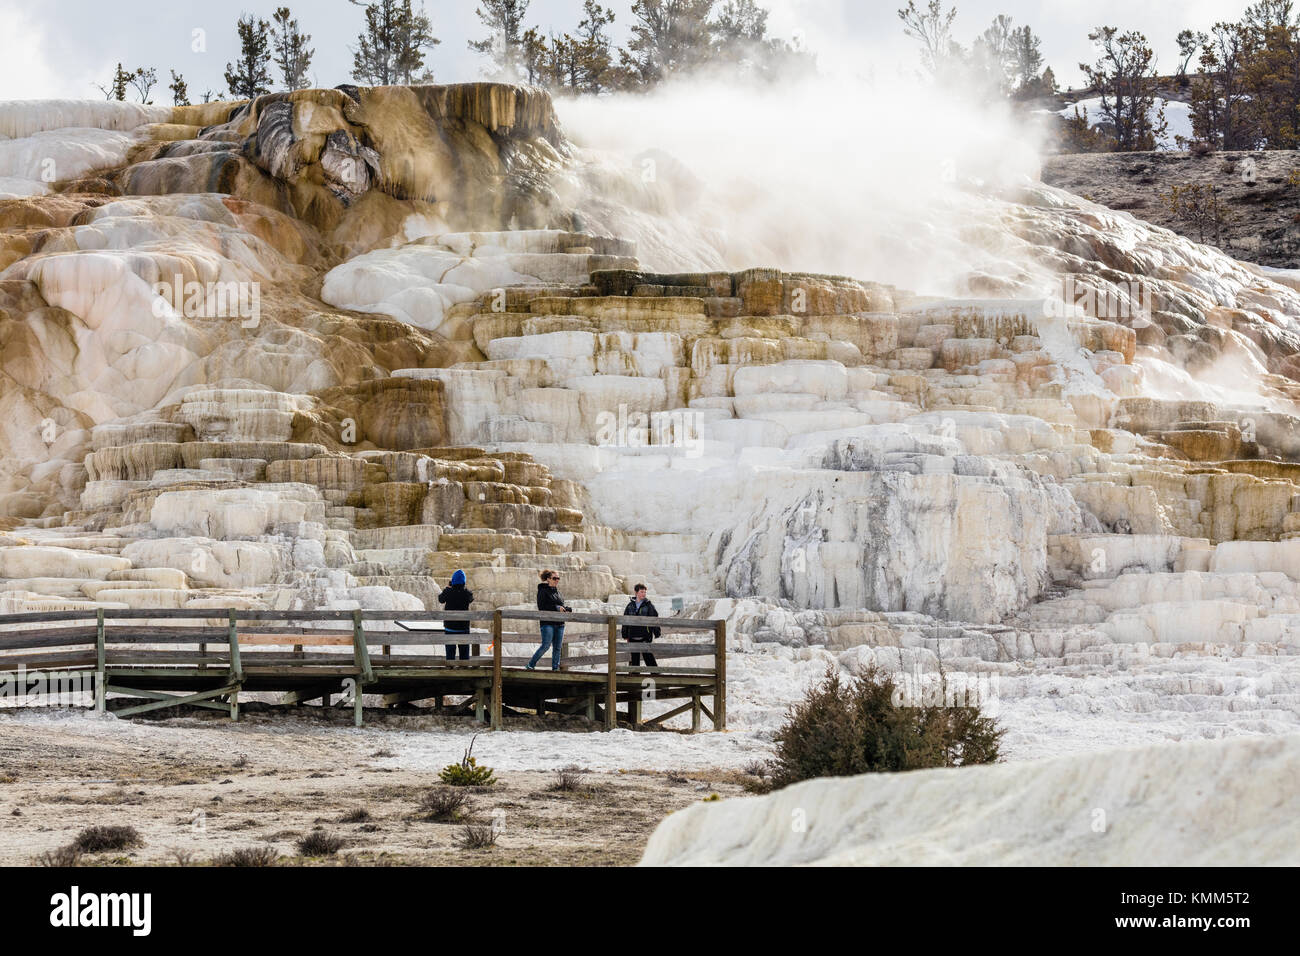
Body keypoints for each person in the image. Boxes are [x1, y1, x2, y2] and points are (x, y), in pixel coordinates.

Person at [529, 569, 571, 671]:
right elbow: (542, 606)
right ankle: (530, 665)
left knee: (557, 648)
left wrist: (566, 609)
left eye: (558, 578)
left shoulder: (558, 593)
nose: (557, 580)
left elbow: (559, 605)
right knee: (546, 646)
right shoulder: (542, 591)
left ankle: (555, 669)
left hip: (560, 623)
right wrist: (557, 608)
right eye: (554, 578)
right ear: (548, 579)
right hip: (547, 623)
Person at [438, 569, 474, 660]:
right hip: (464, 628)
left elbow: (440, 599)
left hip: (450, 628)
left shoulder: (448, 592)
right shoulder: (467, 593)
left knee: (450, 651)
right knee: (464, 651)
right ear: (464, 582)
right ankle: (464, 667)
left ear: (453, 581)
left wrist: (448, 587)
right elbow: (471, 598)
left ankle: (450, 668)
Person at [622, 583, 660, 668]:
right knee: (634, 659)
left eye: (645, 592)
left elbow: (655, 618)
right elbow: (625, 620)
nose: (644, 594)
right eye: (642, 592)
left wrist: (656, 632)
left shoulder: (648, 605)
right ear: (636, 593)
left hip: (645, 636)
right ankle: (635, 677)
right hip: (632, 636)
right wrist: (625, 634)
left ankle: (655, 675)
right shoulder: (630, 606)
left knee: (649, 658)